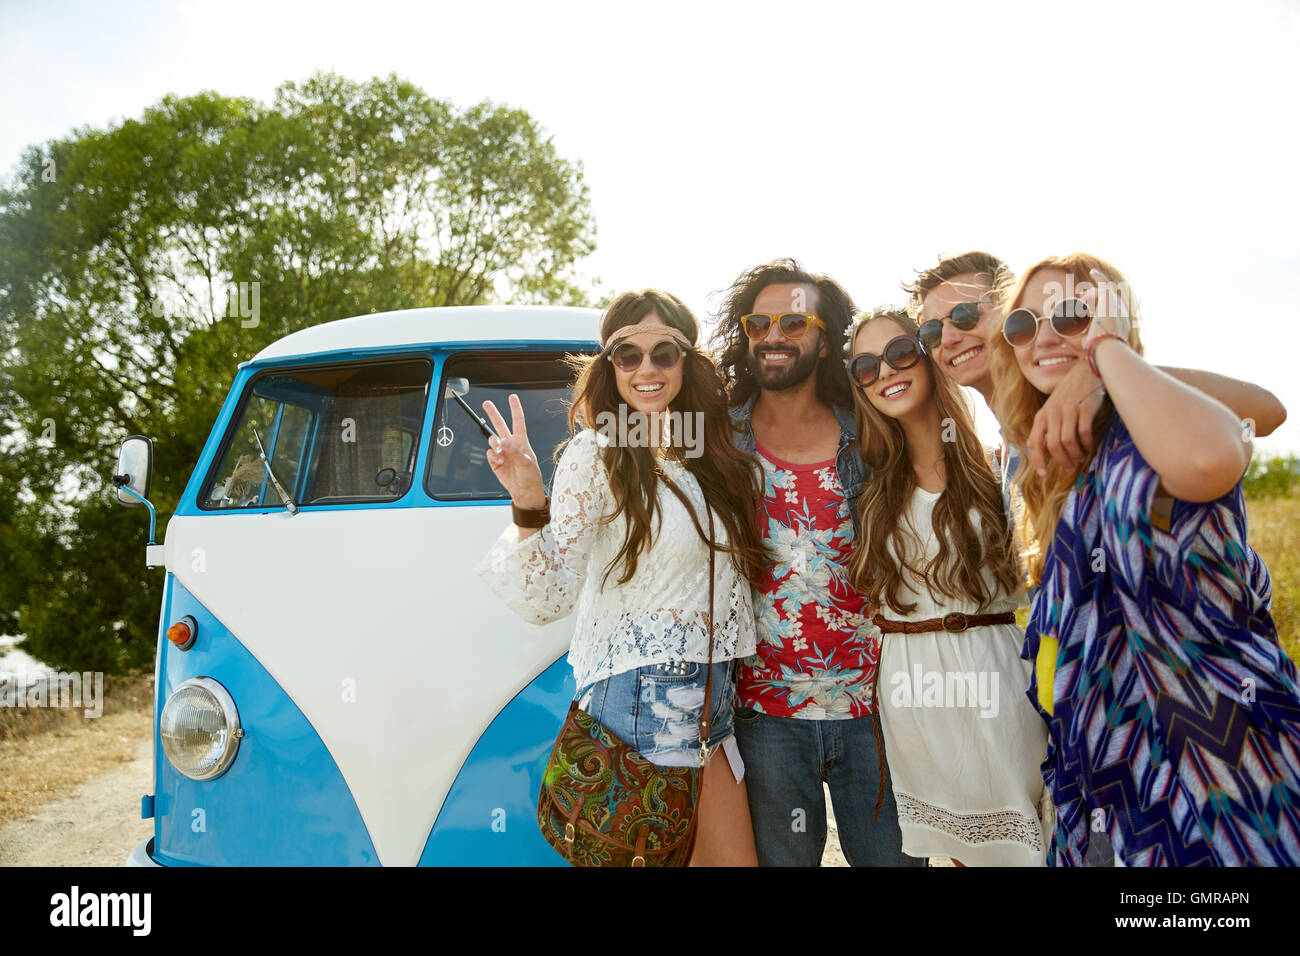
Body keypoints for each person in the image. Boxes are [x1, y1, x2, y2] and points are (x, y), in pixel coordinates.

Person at [990, 252, 1300, 866]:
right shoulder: (1052, 473)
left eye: (1073, 314)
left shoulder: (1154, 427)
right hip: (1105, 792)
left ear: (1116, 326)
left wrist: (1103, 356)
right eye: (1023, 324)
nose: (1045, 335)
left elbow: (1235, 434)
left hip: (1220, 783)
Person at [475, 289, 768, 866]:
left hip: (713, 700)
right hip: (638, 699)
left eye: (664, 352)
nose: (647, 369)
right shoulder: (598, 451)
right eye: (627, 355)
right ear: (610, 367)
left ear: (688, 360)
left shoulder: (706, 456)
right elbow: (550, 595)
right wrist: (529, 501)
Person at [711, 259, 918, 866]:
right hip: (764, 714)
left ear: (825, 339)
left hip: (874, 710)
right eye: (760, 322)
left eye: (795, 322)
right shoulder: (722, 440)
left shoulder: (873, 432)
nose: (773, 336)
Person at [844, 307, 1050, 866]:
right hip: (910, 686)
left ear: (928, 355)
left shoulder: (996, 463)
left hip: (994, 670)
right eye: (866, 366)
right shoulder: (868, 484)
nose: (886, 372)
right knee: (959, 855)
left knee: (1026, 845)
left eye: (900, 353)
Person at [907, 251, 1287, 482]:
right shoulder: (1005, 451)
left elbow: (1265, 413)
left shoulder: (1105, 402)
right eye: (931, 330)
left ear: (1012, 312)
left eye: (965, 315)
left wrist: (1095, 371)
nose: (950, 337)